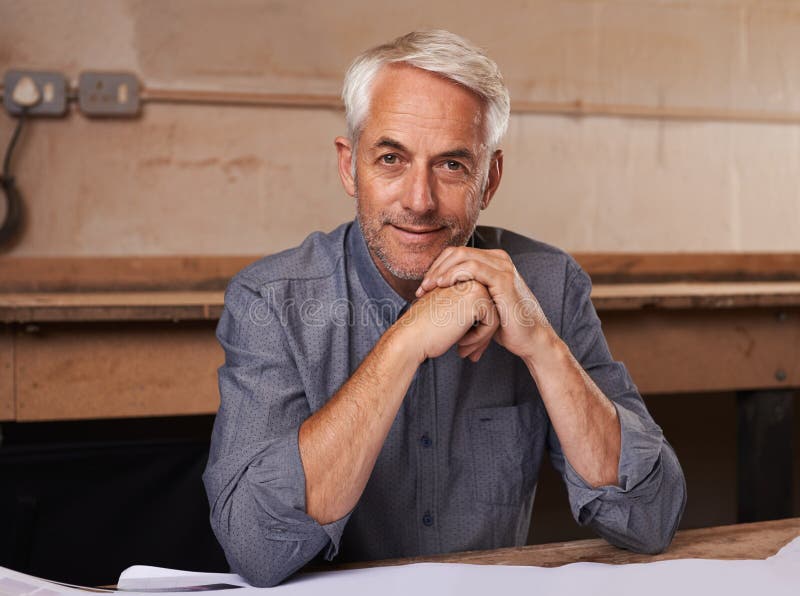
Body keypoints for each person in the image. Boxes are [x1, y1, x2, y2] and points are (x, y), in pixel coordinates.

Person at [203, 30, 686, 587]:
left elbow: (650, 519)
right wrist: (406, 342)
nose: (419, 200)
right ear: (348, 166)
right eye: (391, 158)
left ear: (490, 179)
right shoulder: (270, 302)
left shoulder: (549, 287)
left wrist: (541, 345)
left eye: (452, 165)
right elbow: (256, 549)